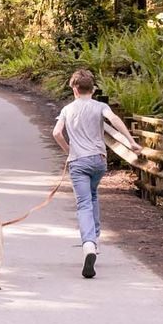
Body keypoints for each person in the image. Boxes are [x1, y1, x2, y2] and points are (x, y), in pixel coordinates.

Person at [52, 67, 138, 279]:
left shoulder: (67, 110)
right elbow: (115, 120)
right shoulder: (100, 106)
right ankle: (96, 239)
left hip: (78, 162)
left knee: (83, 203)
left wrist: (69, 151)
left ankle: (89, 244)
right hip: (98, 162)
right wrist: (131, 141)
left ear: (74, 89)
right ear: (93, 89)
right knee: (92, 195)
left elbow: (56, 133)